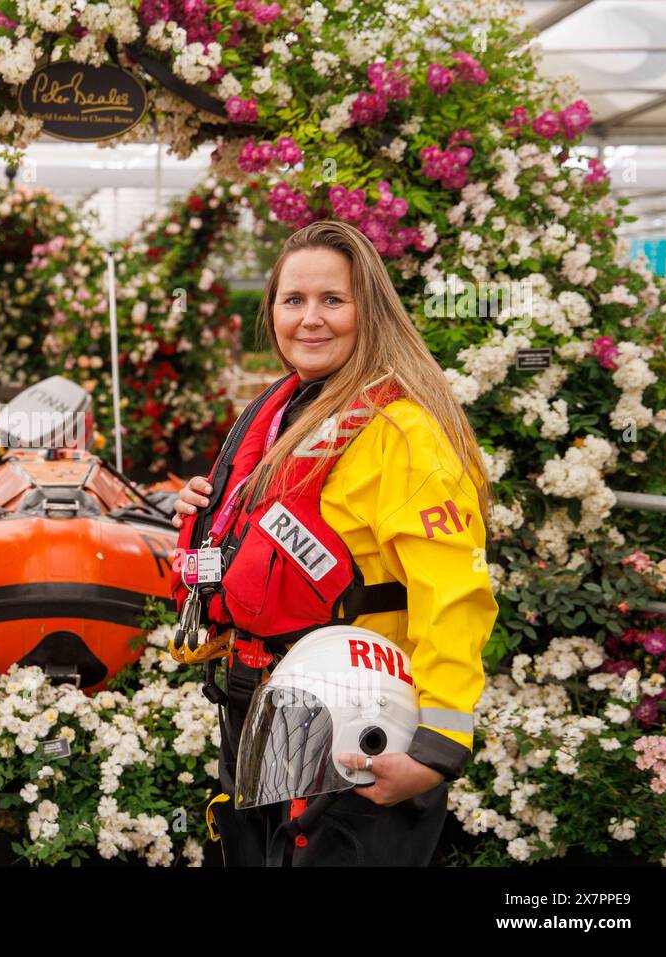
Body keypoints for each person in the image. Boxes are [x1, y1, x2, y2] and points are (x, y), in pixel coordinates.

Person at [170, 220, 497, 866]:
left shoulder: (401, 433)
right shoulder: (290, 411)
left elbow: (456, 592)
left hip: (358, 736)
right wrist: (210, 519)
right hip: (267, 720)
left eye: (332, 300)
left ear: (366, 311)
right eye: (294, 300)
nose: (310, 319)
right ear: (272, 312)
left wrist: (434, 750)